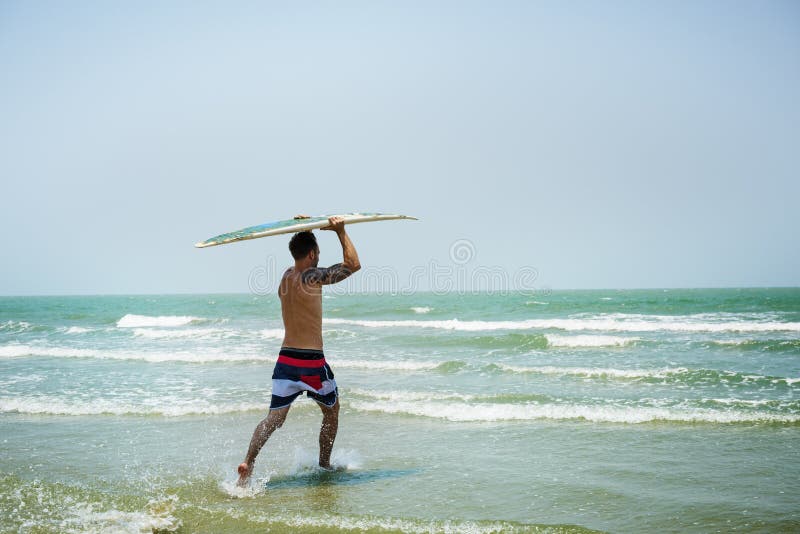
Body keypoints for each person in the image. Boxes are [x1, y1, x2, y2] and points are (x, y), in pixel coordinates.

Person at [237, 215, 360, 486]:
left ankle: (249, 462)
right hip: (311, 362)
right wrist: (340, 231)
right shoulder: (312, 277)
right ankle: (324, 465)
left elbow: (304, 249)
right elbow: (353, 265)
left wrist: (308, 226)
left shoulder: (286, 277)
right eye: (317, 253)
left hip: (285, 360)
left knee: (273, 419)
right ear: (313, 254)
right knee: (332, 411)